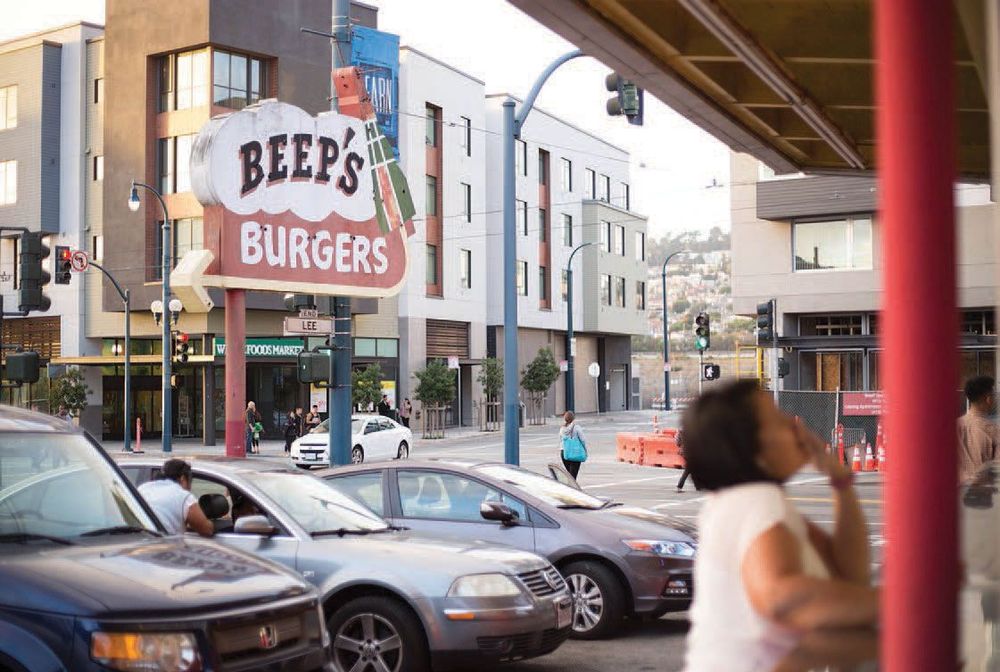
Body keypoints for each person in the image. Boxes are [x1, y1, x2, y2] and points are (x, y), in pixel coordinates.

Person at [680, 381, 878, 672]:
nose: (794, 424)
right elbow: (781, 598)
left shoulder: (744, 502)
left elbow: (848, 574)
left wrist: (840, 480)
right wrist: (905, 603)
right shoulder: (756, 501)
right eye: (777, 418)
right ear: (752, 447)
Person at [137, 459, 214, 537]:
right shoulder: (184, 497)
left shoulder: (142, 488)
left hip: (137, 539)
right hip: (163, 542)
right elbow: (206, 530)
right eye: (190, 483)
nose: (190, 488)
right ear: (183, 479)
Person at [959, 375, 1000, 484]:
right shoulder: (994, 431)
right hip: (983, 490)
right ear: (988, 399)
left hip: (956, 489)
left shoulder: (953, 427)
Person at [558, 411, 587, 479]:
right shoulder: (576, 427)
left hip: (564, 452)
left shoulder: (562, 429)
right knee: (573, 475)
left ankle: (568, 484)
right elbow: (582, 439)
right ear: (573, 418)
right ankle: (571, 485)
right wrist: (585, 449)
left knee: (569, 475)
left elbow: (561, 440)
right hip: (575, 451)